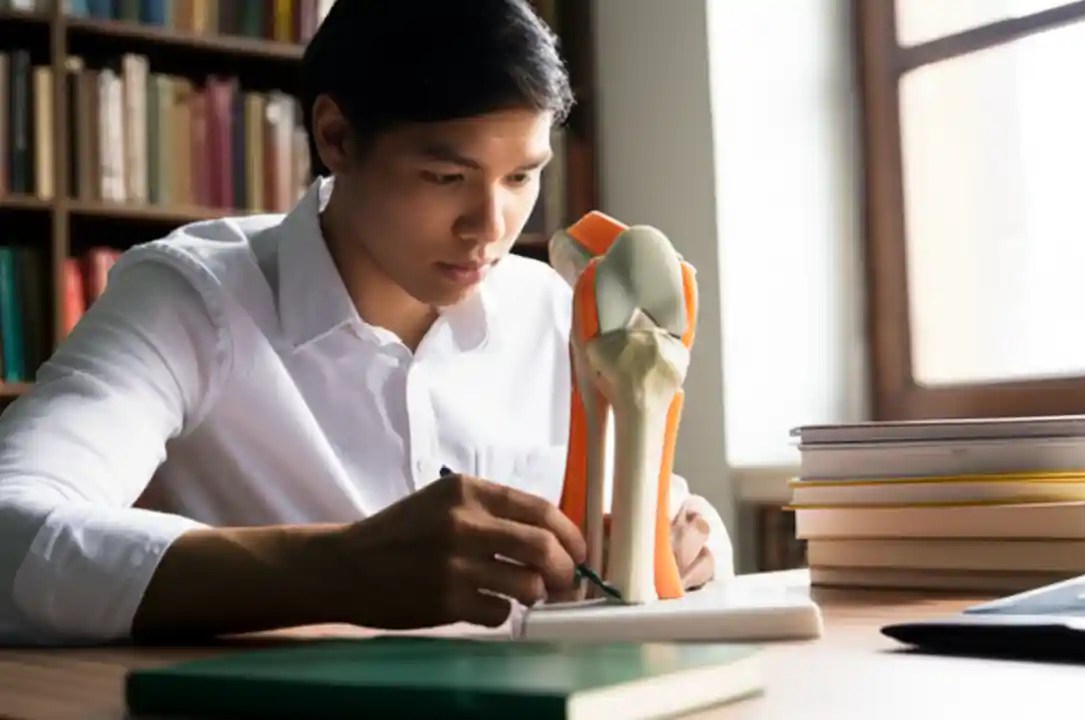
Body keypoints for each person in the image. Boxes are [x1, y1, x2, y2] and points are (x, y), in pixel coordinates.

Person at [0, 0, 732, 645]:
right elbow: (11, 532)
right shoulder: (192, 299)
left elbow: (675, 521)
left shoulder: (552, 309)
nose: (491, 227)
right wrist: (340, 568)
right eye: (447, 177)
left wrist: (694, 543)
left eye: (521, 177)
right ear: (336, 137)